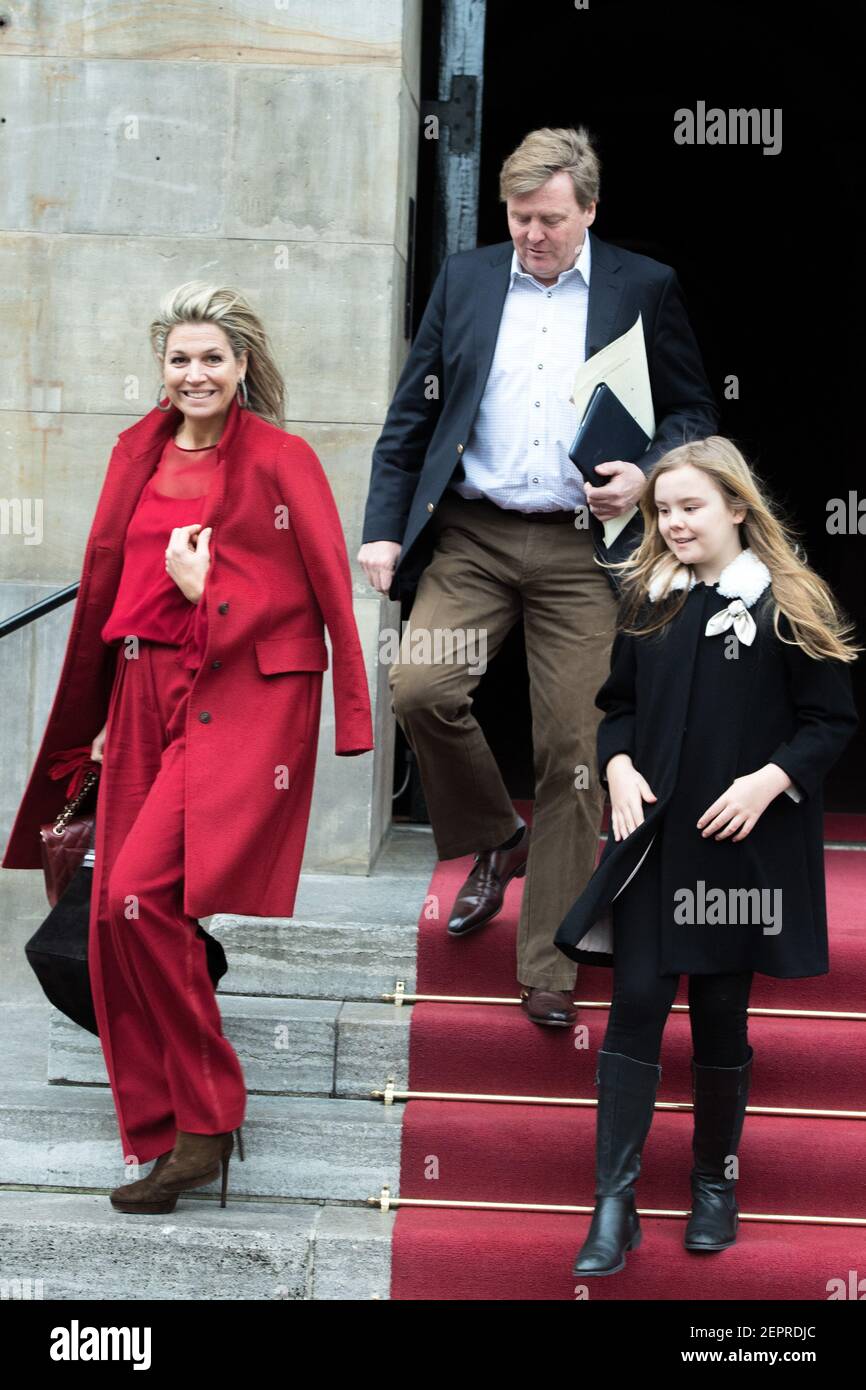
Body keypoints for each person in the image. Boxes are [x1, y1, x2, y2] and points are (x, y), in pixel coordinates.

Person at [3, 281, 374, 1214]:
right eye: (180, 359)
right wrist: (91, 717)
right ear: (161, 369)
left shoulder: (284, 460)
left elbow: (329, 590)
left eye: (213, 358)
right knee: (114, 919)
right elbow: (105, 595)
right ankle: (169, 1130)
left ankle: (208, 1117)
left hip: (236, 702)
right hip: (137, 697)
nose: (195, 373)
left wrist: (353, 714)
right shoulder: (138, 453)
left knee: (135, 897)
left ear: (243, 366)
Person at [359, 126, 718, 1025]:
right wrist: (383, 532)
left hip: (583, 549)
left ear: (589, 210)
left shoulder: (644, 286)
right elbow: (412, 414)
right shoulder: (468, 280)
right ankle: (494, 836)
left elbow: (690, 409)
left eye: (551, 220)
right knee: (419, 687)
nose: (533, 236)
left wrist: (649, 476)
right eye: (520, 219)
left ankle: (549, 964)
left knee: (578, 751)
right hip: (474, 536)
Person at [553, 435, 860, 1276]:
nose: (674, 523)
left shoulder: (787, 601)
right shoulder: (651, 597)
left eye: (690, 506)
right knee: (637, 1005)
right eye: (662, 509)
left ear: (735, 506)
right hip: (654, 847)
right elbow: (616, 708)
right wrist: (615, 766)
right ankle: (613, 1205)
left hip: (739, 855)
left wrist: (769, 781)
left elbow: (830, 722)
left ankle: (714, 1187)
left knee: (721, 1015)